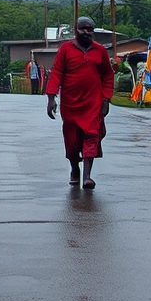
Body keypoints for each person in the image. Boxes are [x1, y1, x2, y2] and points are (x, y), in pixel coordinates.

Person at [46, 16, 113, 189]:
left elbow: (108, 75)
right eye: (84, 28)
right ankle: (75, 168)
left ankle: (87, 176)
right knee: (72, 140)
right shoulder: (65, 49)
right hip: (70, 104)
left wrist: (106, 99)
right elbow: (56, 73)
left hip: (93, 103)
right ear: (76, 30)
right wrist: (51, 98)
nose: (87, 32)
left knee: (92, 135)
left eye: (90, 29)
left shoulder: (100, 51)